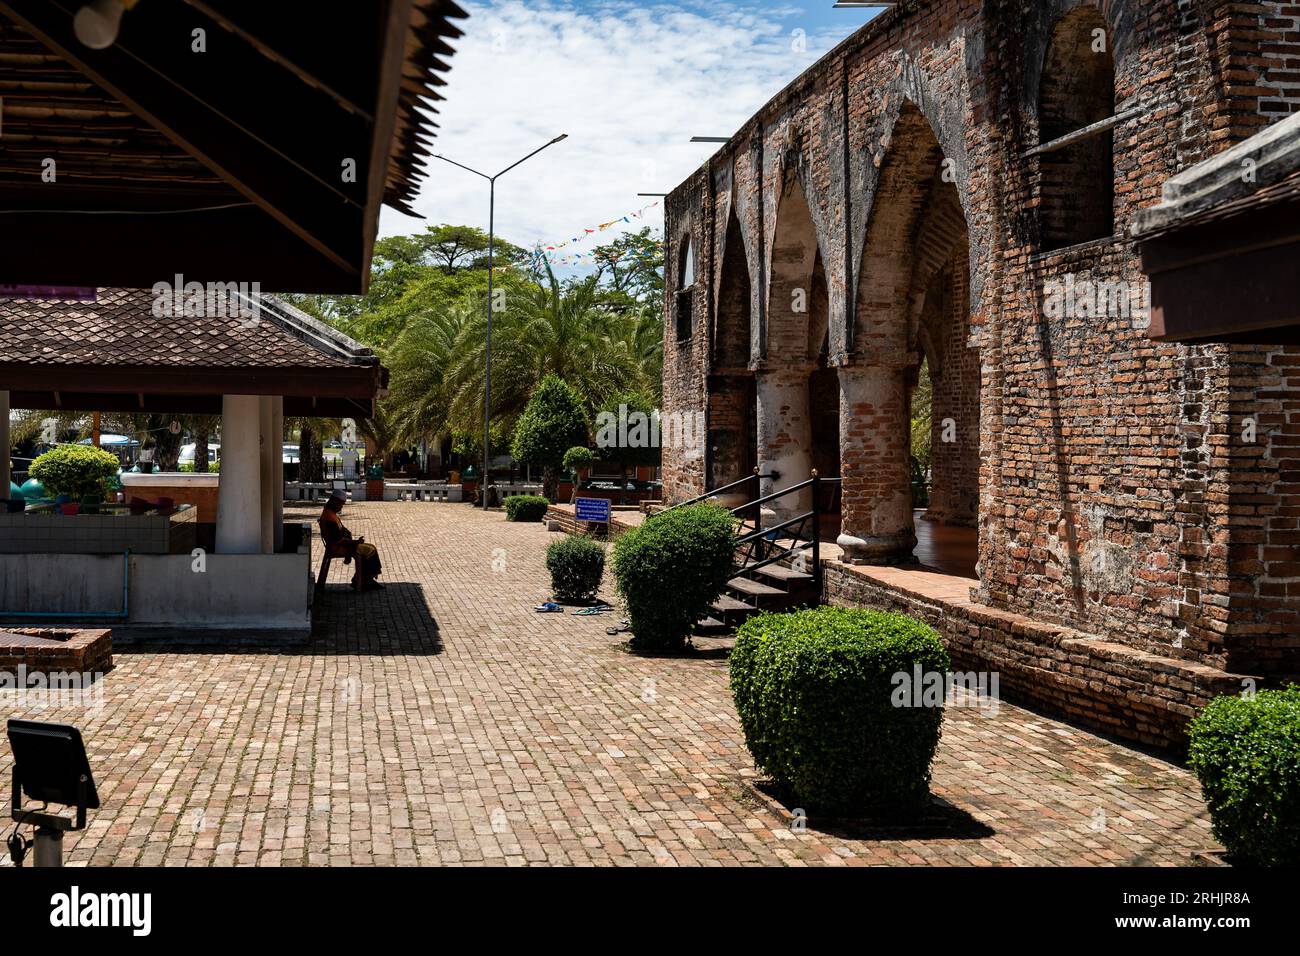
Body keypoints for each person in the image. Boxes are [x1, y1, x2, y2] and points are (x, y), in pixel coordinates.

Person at [318, 494, 384, 590]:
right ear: (334, 502)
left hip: (340, 544)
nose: (341, 507)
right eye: (340, 505)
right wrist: (355, 542)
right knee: (370, 550)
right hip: (339, 547)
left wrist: (354, 540)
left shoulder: (330, 513)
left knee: (371, 547)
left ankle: (364, 578)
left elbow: (342, 532)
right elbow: (338, 539)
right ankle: (364, 580)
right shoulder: (330, 518)